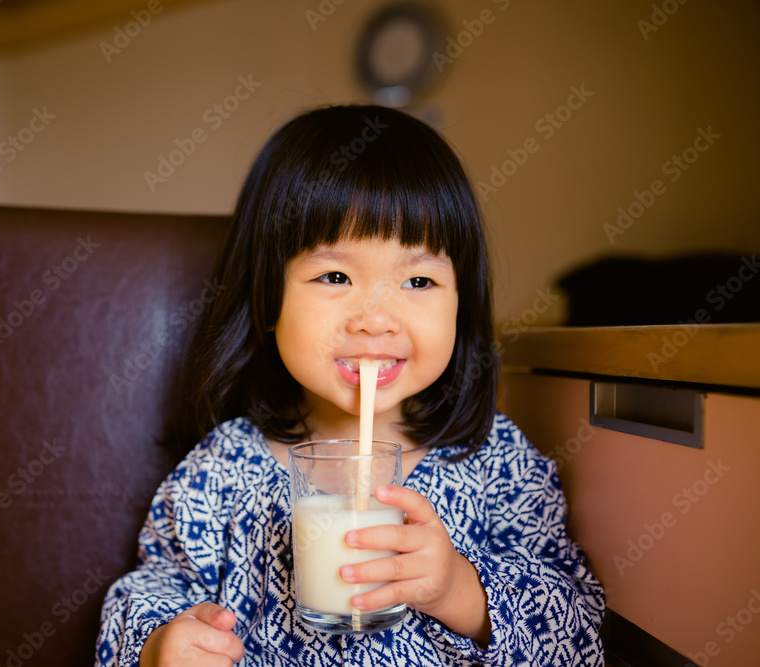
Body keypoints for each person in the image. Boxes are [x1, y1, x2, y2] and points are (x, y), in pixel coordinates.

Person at [95, 104, 605, 666]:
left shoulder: (497, 463)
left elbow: (580, 633)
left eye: (419, 279)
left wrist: (462, 593)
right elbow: (145, 594)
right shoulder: (221, 473)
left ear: (463, 303)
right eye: (335, 276)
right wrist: (157, 647)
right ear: (268, 298)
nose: (377, 318)